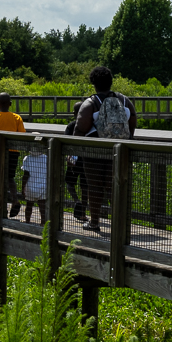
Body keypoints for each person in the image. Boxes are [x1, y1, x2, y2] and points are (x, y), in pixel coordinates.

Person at [70, 65, 134, 234]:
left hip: (94, 152)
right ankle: (119, 224)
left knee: (95, 186)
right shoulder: (124, 100)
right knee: (115, 186)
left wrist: (74, 152)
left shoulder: (90, 103)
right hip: (119, 150)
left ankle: (94, 222)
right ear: (111, 81)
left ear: (94, 83)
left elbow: (80, 128)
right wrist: (129, 139)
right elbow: (133, 118)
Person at [0, 93, 26, 215]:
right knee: (10, 177)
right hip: (13, 152)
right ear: (10, 104)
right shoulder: (17, 118)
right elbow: (22, 134)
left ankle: (1, 205)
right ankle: (14, 199)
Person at [18, 148, 50, 224]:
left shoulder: (27, 158)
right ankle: (43, 223)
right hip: (43, 185)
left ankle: (27, 221)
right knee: (42, 206)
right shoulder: (46, 158)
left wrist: (23, 188)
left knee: (29, 205)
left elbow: (26, 175)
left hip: (31, 186)